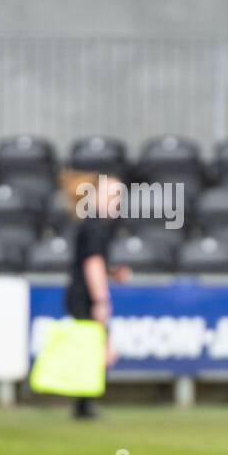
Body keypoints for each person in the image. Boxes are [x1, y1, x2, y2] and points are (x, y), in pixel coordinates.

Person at [62, 172, 129, 419]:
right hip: (85, 296)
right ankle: (83, 407)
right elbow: (92, 264)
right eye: (112, 195)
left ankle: (83, 406)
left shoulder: (93, 224)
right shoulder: (95, 226)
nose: (116, 201)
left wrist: (112, 273)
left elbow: (93, 263)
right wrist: (101, 300)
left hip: (81, 294)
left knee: (92, 350)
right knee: (95, 350)